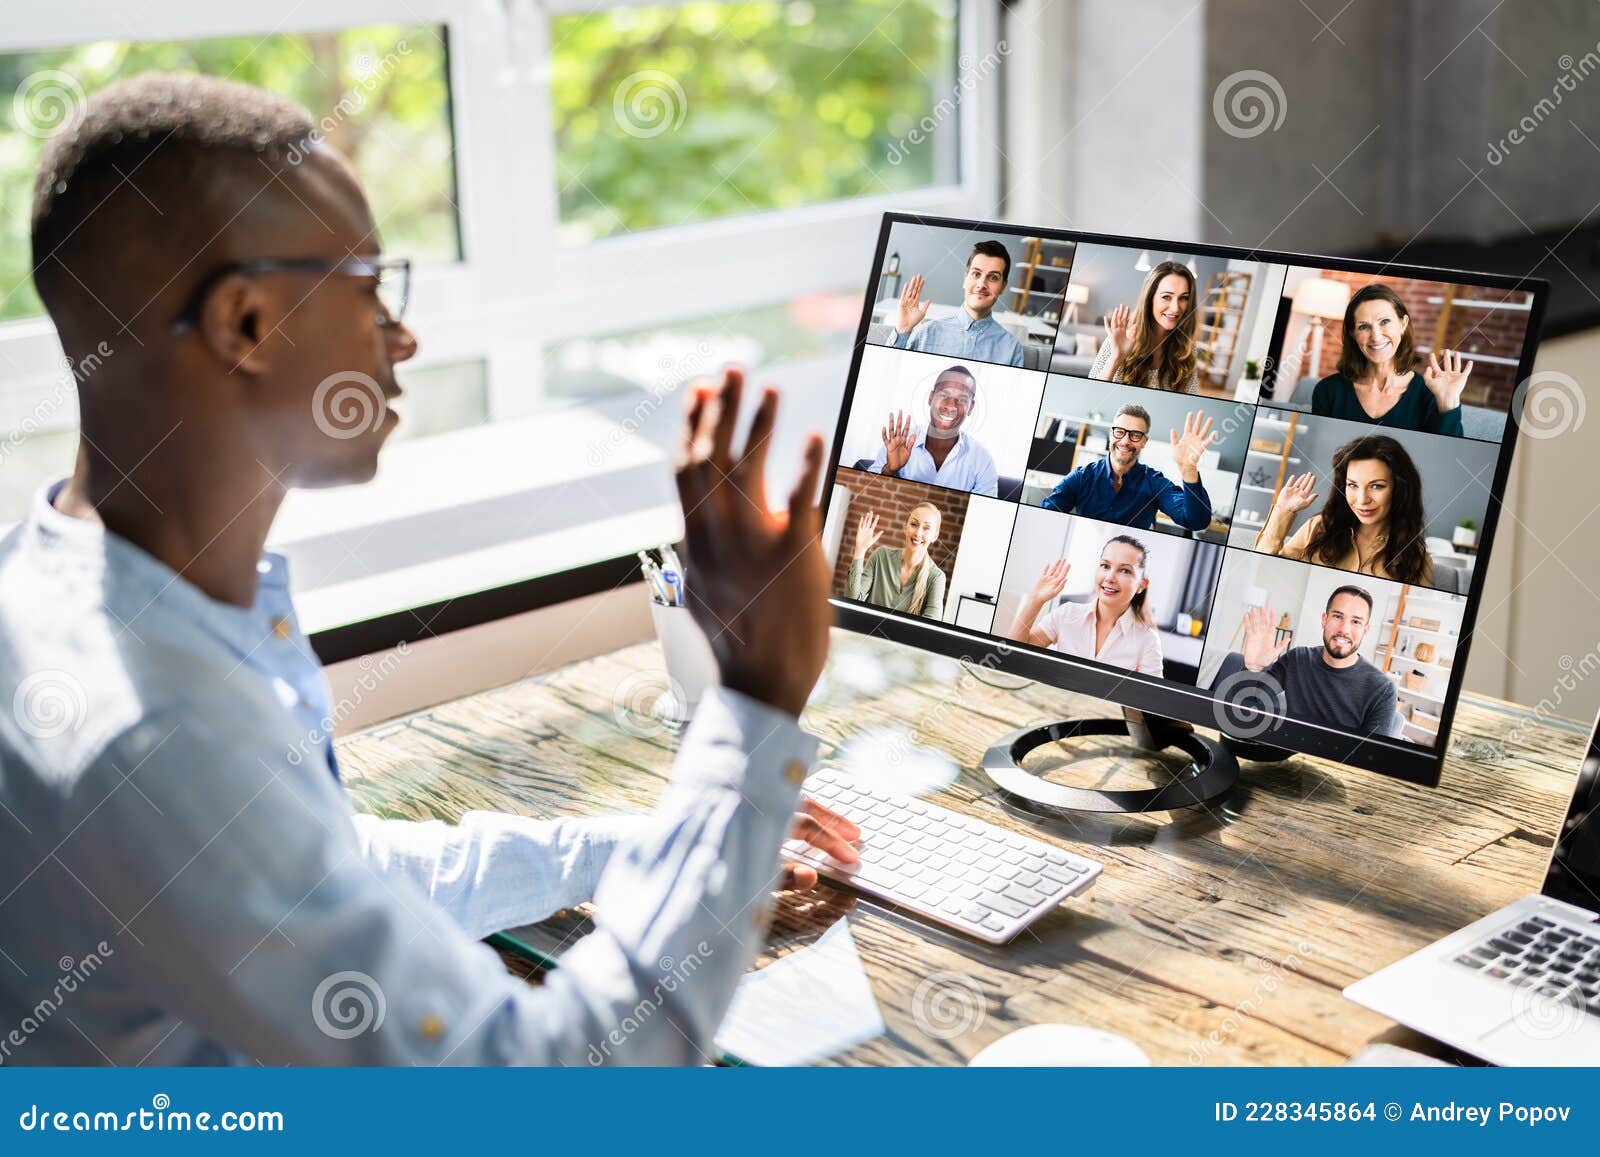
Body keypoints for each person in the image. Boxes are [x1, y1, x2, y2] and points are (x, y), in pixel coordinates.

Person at [0, 74, 861, 1066]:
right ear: (244, 323)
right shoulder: (157, 733)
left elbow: (326, 873)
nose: (402, 336)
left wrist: (650, 846)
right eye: (369, 288)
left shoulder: (59, 591)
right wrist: (754, 704)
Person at [1253, 434, 1434, 586]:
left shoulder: (1417, 560)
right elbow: (1261, 573)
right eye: (1352, 485)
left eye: (1377, 486)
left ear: (1399, 488)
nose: (1362, 500)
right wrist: (1282, 511)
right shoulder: (1317, 529)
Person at [1226, 588, 1404, 739]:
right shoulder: (1297, 658)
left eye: (1356, 621)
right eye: (1337, 616)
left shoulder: (1383, 688)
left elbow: (1370, 758)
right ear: (1324, 620)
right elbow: (1242, 708)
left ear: (1365, 630)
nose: (1344, 629)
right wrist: (1253, 668)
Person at [1310, 283, 1475, 436]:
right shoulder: (1327, 391)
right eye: (1364, 326)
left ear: (1403, 324)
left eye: (1385, 322)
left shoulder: (1431, 394)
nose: (1376, 336)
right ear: (1353, 334)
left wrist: (1448, 403)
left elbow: (1447, 456)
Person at [1003, 535, 1164, 676]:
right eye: (1105, 566)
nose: (1109, 577)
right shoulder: (1067, 614)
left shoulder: (1147, 640)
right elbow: (1012, 655)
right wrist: (1035, 600)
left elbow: (1152, 702)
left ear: (1142, 585)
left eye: (1125, 571)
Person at [1040, 403, 1216, 532]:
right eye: (1120, 432)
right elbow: (1046, 516)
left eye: (1135, 435)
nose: (1125, 441)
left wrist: (1188, 470)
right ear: (1111, 434)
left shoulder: (1155, 483)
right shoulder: (1082, 477)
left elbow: (1196, 522)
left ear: (1144, 442)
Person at [890, 239, 1025, 367]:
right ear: (965, 279)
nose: (982, 284)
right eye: (976, 274)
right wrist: (903, 329)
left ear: (1003, 286)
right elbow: (890, 373)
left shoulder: (1012, 349)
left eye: (993, 277)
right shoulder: (926, 333)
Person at [869, 363, 999, 497]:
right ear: (931, 398)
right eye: (944, 395)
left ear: (971, 407)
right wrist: (889, 470)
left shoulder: (983, 460)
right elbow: (868, 494)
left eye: (961, 399)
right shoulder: (898, 443)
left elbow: (984, 512)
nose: (950, 406)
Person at [1090, 260, 1200, 393]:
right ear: (1150, 298)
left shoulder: (1188, 350)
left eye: (1183, 298)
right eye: (1166, 297)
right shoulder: (1119, 339)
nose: (1175, 308)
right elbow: (1093, 394)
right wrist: (1116, 357)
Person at [846, 502, 947, 620]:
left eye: (926, 528)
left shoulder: (936, 577)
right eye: (914, 524)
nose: (918, 533)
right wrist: (860, 550)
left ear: (935, 536)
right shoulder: (881, 555)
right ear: (906, 527)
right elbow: (852, 600)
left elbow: (930, 626)